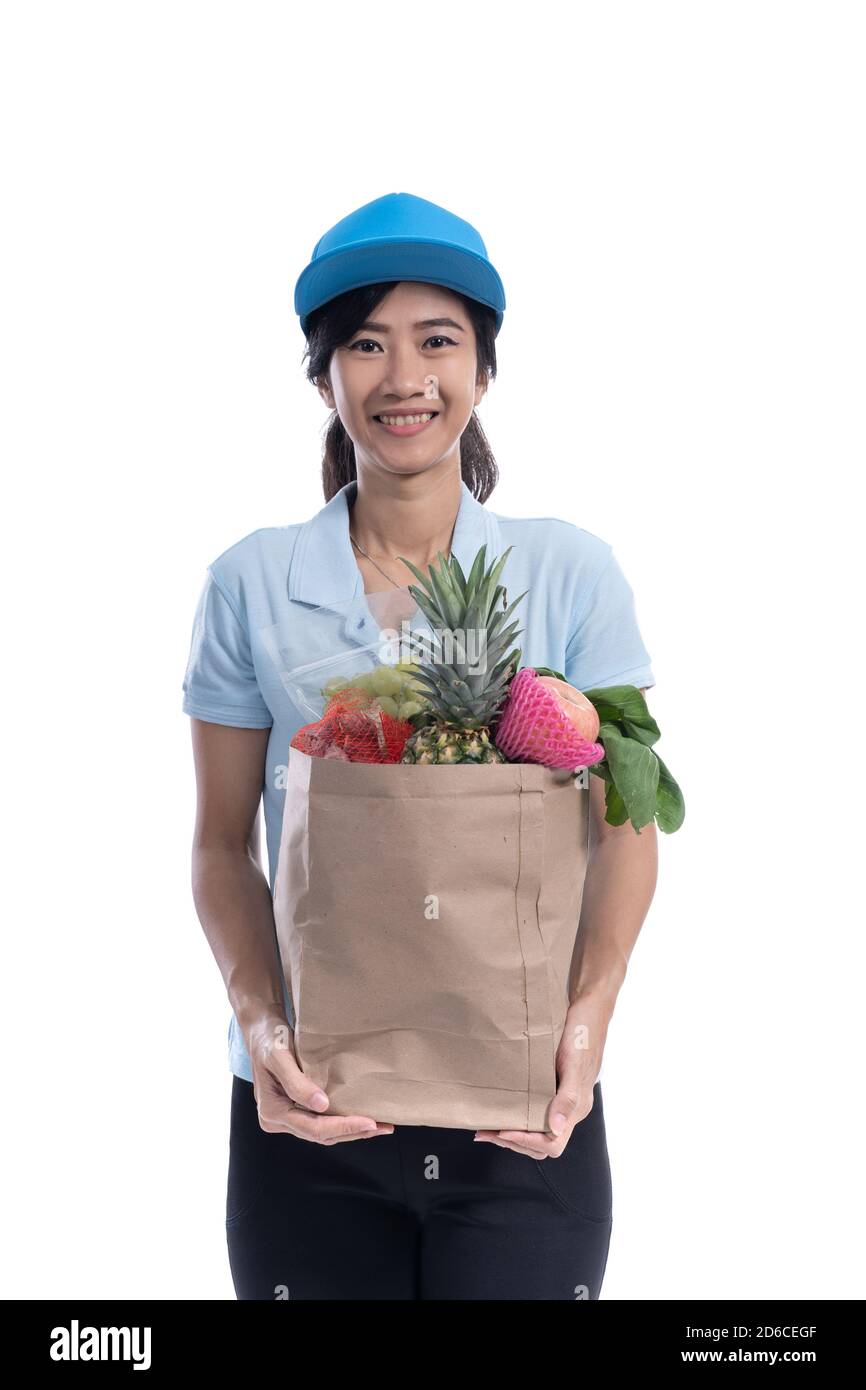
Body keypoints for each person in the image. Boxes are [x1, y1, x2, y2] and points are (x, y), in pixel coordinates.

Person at [182, 193, 659, 1300]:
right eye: (364, 343)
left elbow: (626, 827)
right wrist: (259, 1023)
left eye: (437, 340)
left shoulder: (565, 572)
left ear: (483, 371)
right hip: (308, 1117)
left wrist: (584, 1026)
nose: (404, 376)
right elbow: (217, 844)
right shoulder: (250, 582)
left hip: (519, 1113)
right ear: (322, 377)